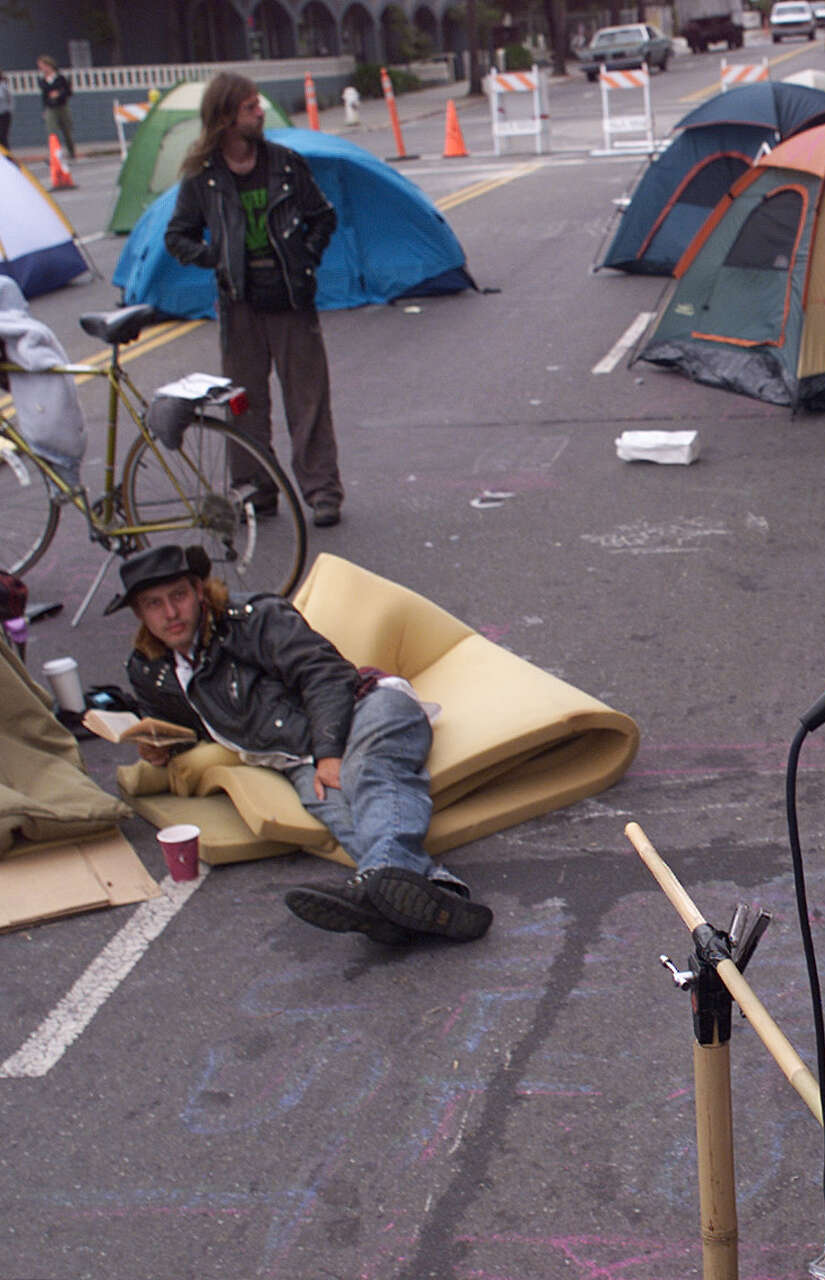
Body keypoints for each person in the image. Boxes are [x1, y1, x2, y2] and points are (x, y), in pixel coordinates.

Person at [112, 545, 492, 945]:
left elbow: (326, 675)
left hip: (367, 708)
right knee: (345, 819)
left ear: (200, 592)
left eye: (179, 596)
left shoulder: (252, 618)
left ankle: (374, 893)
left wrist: (329, 753)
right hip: (297, 756)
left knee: (370, 775)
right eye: (154, 604)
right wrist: (159, 749)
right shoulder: (148, 669)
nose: (170, 613)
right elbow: (179, 729)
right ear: (139, 614)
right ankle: (434, 898)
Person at [164, 72, 345, 528]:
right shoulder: (205, 177)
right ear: (226, 117)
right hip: (239, 301)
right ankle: (257, 492)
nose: (260, 112)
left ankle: (322, 492)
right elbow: (177, 235)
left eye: (258, 105)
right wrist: (217, 258)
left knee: (308, 399)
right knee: (245, 402)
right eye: (250, 107)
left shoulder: (285, 164)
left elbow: (323, 216)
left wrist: (306, 256)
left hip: (289, 295)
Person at [35, 55, 75, 161]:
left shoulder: (60, 78)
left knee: (67, 131)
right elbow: (44, 96)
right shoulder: (42, 80)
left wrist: (59, 94)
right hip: (50, 107)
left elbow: (68, 92)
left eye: (43, 66)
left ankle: (71, 152)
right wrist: (44, 109)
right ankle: (55, 154)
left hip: (61, 106)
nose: (41, 69)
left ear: (49, 66)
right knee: (52, 132)